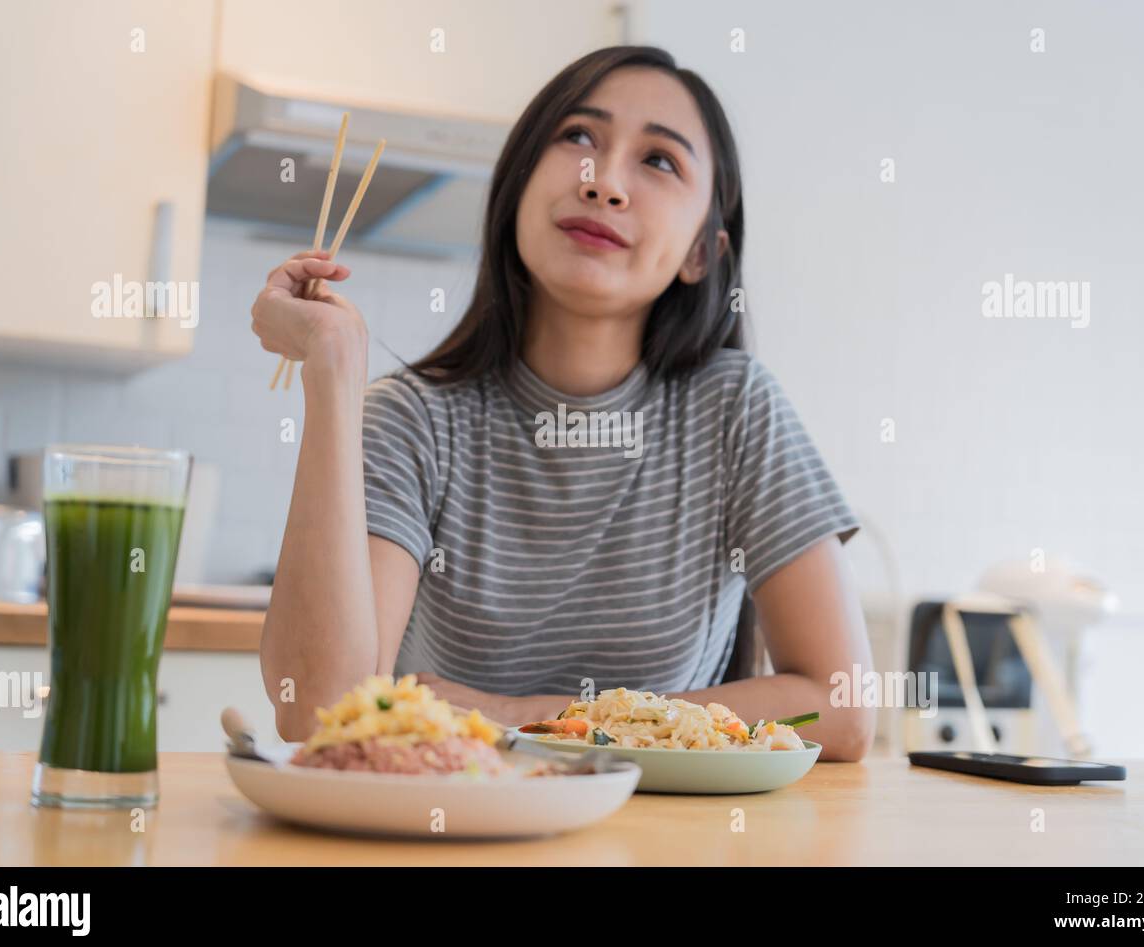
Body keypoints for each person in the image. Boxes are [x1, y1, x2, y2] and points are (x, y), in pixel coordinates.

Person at [250, 46, 875, 759]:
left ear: (703, 252)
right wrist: (333, 368)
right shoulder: (412, 419)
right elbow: (319, 713)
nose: (604, 183)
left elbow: (844, 708)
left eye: (660, 161)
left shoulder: (736, 413)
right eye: (579, 137)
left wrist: (525, 715)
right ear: (518, 184)